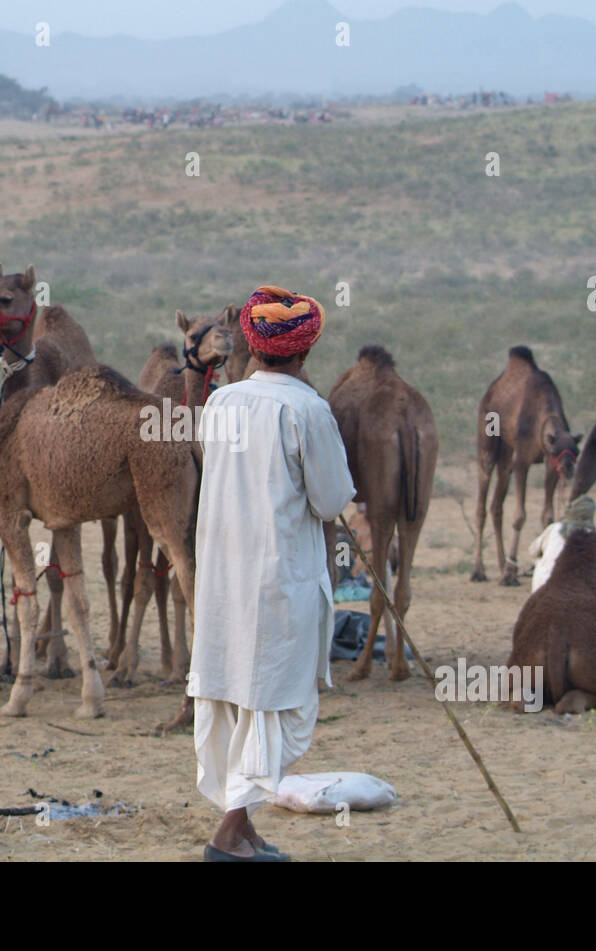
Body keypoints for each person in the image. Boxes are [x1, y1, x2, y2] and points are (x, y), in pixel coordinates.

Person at [188, 285, 355, 862]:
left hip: (221, 578)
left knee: (242, 701)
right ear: (304, 354)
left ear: (255, 349)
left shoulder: (222, 403)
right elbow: (332, 500)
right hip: (279, 580)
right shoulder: (308, 409)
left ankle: (248, 831)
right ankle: (229, 835)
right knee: (278, 707)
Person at [528, 495, 596, 591]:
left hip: (540, 586)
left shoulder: (555, 528)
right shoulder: (591, 536)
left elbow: (532, 551)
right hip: (571, 590)